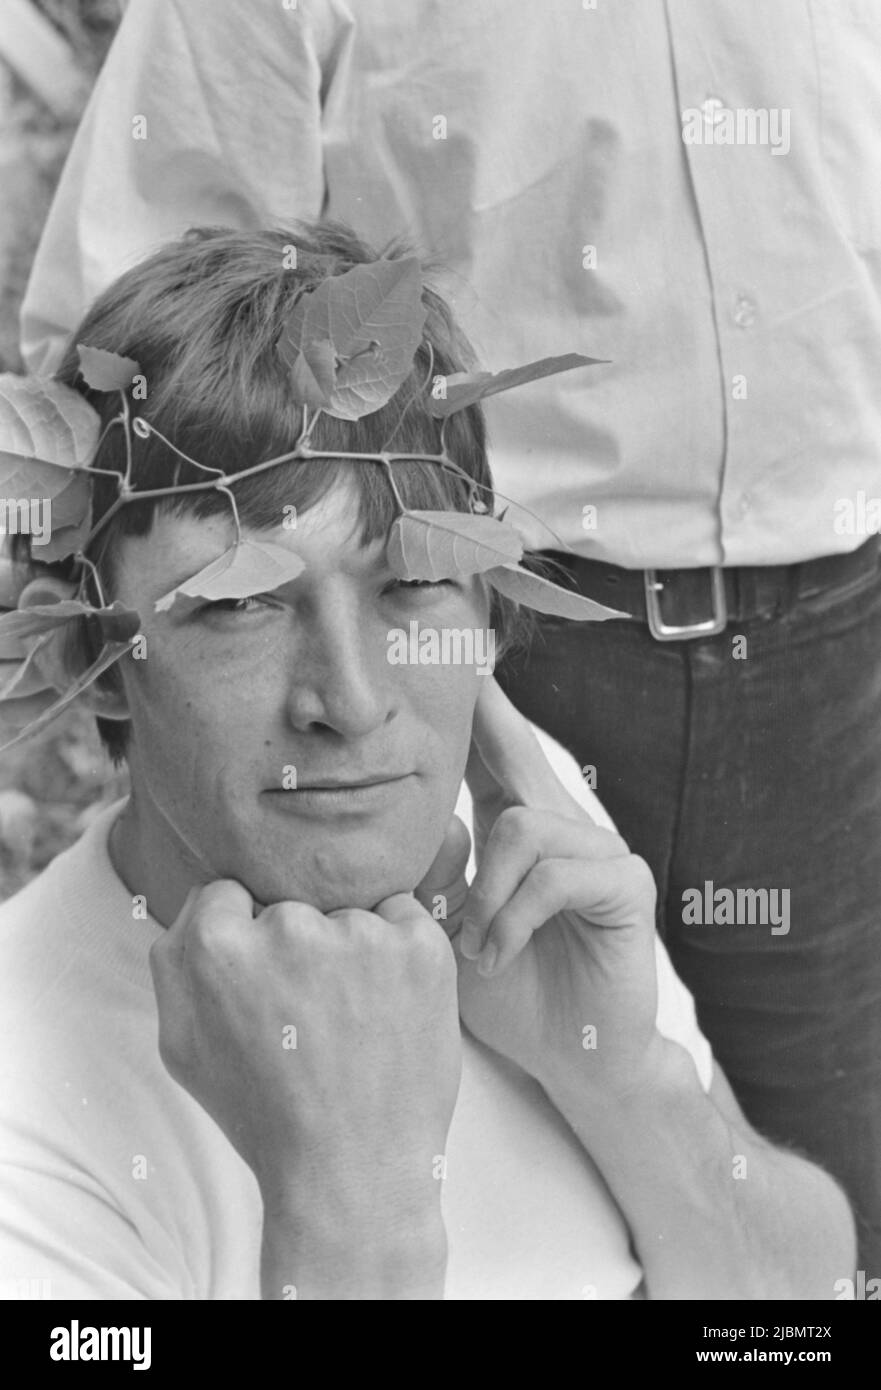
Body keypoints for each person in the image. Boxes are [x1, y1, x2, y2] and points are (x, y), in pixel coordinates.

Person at [20, 0, 881, 1274]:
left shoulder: (520, 868)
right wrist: (352, 1196)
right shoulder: (40, 1133)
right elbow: (139, 391)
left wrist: (625, 1082)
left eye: (408, 590)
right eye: (242, 602)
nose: (354, 701)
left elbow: (794, 1312)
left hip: (812, 627)